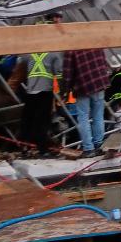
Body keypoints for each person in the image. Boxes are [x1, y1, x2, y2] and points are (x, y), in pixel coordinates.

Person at [19, 12, 64, 156]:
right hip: (45, 91)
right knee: (43, 121)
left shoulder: (30, 52)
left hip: (31, 91)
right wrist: (63, 92)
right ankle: (42, 150)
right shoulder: (54, 53)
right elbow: (60, 73)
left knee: (28, 120)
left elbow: (21, 62)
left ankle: (25, 147)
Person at [62, 47, 111, 155]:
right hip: (98, 83)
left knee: (83, 117)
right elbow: (103, 61)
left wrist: (65, 91)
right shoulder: (94, 43)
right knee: (98, 116)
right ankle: (99, 144)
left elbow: (67, 73)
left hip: (82, 86)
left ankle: (88, 149)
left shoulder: (71, 48)